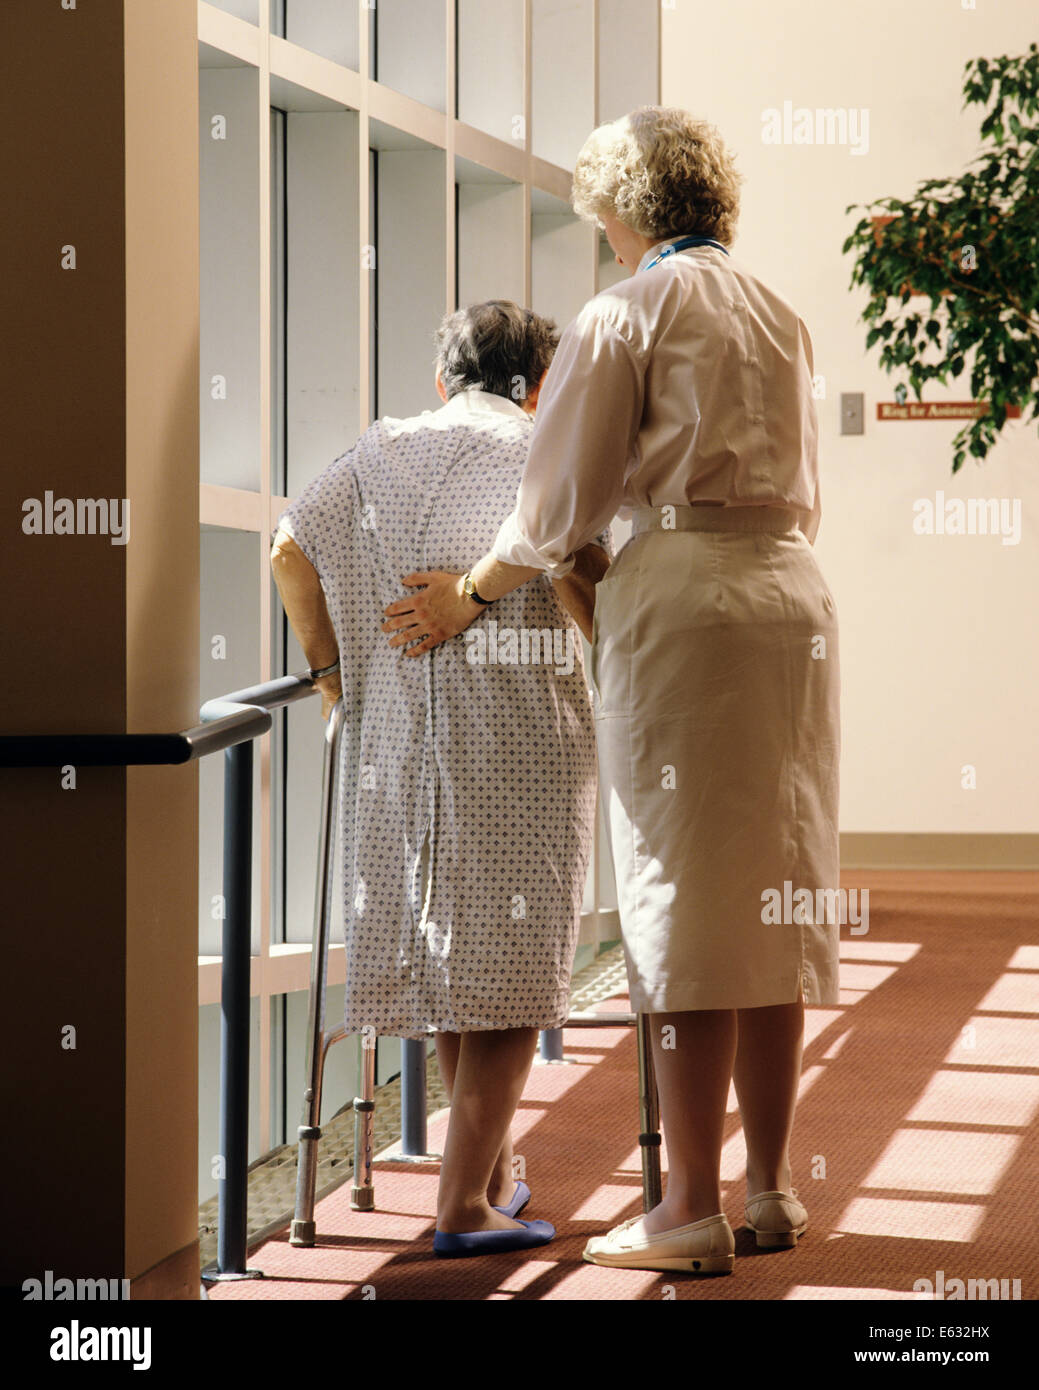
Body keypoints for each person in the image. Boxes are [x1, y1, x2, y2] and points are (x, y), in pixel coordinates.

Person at [380, 108, 841, 1275]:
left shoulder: (625, 311)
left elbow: (557, 500)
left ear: (626, 207)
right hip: (791, 592)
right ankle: (771, 1187)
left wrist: (468, 597)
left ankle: (685, 1203)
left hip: (686, 599)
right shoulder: (777, 310)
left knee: (676, 892)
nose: (602, 242)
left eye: (600, 221)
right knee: (774, 890)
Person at [271, 300, 611, 1258]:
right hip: (523, 745)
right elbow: (584, 574)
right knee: (514, 968)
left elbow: (288, 551)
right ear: (538, 385)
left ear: (442, 380)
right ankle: (462, 1204)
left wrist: (338, 678)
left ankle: (489, 1176)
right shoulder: (544, 454)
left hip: (402, 753)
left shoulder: (374, 454)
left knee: (459, 963)